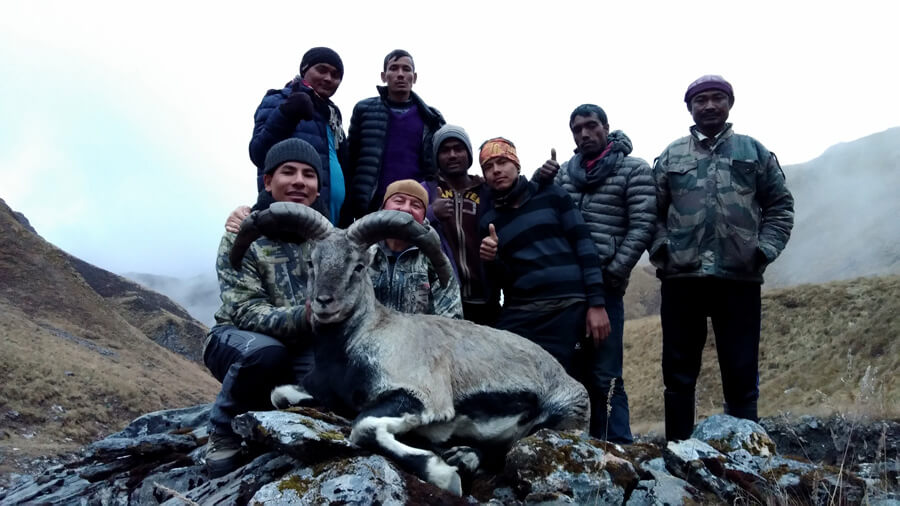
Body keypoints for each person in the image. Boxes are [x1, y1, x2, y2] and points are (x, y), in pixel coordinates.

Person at [651, 75, 794, 441]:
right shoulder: (671, 155)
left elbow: (780, 205)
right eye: (701, 100)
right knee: (679, 371)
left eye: (718, 98)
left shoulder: (753, 152)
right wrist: (662, 250)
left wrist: (763, 251)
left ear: (730, 104)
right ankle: (677, 450)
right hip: (682, 279)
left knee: (741, 370)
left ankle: (747, 455)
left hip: (739, 278)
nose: (710, 106)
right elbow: (651, 212)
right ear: (690, 108)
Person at [534, 104, 655, 444]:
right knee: (567, 371)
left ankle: (619, 447)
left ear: (606, 127)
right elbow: (539, 214)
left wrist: (614, 273)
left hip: (607, 290)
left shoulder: (634, 170)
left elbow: (643, 225)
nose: (584, 134)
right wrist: (538, 180)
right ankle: (573, 448)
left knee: (605, 373)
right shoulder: (562, 174)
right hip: (565, 291)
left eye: (591, 126)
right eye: (577, 129)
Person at [205, 138, 324, 477]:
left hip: (306, 344)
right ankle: (222, 431)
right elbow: (245, 311)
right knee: (267, 354)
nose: (299, 181)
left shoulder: (328, 238)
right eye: (288, 172)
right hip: (238, 338)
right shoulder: (239, 235)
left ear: (317, 189)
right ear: (268, 182)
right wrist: (307, 315)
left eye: (309, 175)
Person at [477, 137, 610, 379]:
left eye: (502, 162)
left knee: (579, 386)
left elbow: (585, 248)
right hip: (523, 315)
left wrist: (597, 304)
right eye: (488, 167)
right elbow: (504, 281)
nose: (496, 170)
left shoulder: (553, 196)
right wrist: (491, 260)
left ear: (516, 165)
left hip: (569, 309)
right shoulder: (488, 222)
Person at [248, 47, 351, 226]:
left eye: (335, 74)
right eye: (321, 69)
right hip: (287, 219)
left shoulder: (333, 115)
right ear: (304, 69)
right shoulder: (279, 100)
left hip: (330, 220)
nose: (328, 78)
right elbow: (258, 153)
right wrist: (287, 114)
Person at [347, 49, 445, 218]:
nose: (400, 74)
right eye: (394, 68)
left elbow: (438, 167)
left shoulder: (431, 118)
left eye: (406, 69)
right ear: (384, 76)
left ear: (414, 77)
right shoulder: (364, 110)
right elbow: (350, 159)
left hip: (414, 207)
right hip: (370, 207)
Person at [422, 125, 499, 325]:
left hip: (486, 298)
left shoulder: (488, 190)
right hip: (442, 301)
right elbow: (401, 223)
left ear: (469, 154)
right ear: (437, 157)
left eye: (459, 148)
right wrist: (431, 213)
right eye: (445, 150)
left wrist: (541, 179)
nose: (453, 155)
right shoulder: (426, 189)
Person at [369, 179, 463, 319]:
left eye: (416, 205)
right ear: (384, 207)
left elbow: (452, 320)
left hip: (418, 338)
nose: (406, 209)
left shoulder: (435, 259)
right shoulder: (362, 254)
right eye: (399, 201)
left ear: (423, 217)